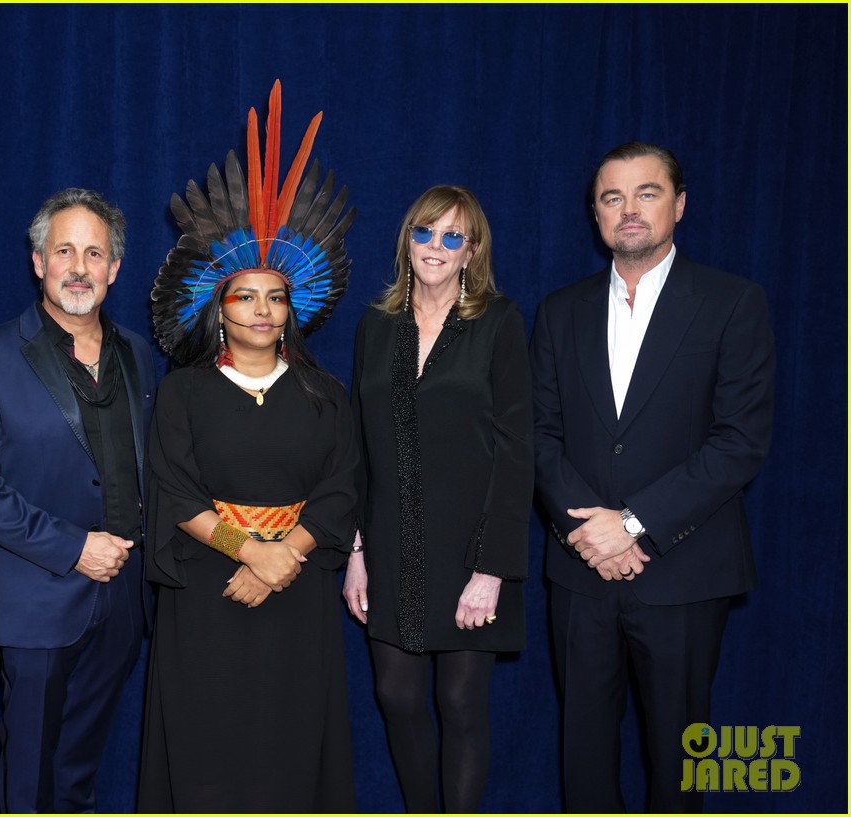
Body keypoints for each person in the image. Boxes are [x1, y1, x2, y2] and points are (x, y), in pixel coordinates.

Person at [531, 141, 775, 811]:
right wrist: (592, 534)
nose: (629, 209)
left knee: (679, 761)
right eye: (612, 197)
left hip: (685, 570)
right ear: (596, 215)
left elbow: (740, 441)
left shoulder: (733, 302)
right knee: (583, 754)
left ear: (679, 204)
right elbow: (539, 435)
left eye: (647, 192)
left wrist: (633, 524)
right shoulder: (559, 310)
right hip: (581, 572)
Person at [138, 81, 359, 812]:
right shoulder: (184, 392)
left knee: (293, 752)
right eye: (245, 296)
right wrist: (247, 549)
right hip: (209, 591)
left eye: (275, 296)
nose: (262, 310)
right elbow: (170, 489)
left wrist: (283, 555)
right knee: (207, 753)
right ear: (217, 308)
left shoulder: (326, 393)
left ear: (292, 307)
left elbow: (343, 486)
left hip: (297, 600)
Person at [0, 188, 156, 812]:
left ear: (115, 269)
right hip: (36, 598)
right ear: (39, 261)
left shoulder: (138, 355)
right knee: (31, 771)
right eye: (65, 250)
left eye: (95, 253)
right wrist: (73, 549)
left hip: (123, 597)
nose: (79, 267)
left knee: (80, 768)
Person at [342, 185, 534, 812]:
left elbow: (516, 451)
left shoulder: (498, 321)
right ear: (408, 239)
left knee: (460, 704)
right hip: (390, 545)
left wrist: (493, 567)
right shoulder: (376, 324)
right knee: (396, 696)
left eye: (453, 237)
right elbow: (358, 449)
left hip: (470, 547)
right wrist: (356, 549)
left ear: (470, 251)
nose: (435, 246)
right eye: (425, 232)